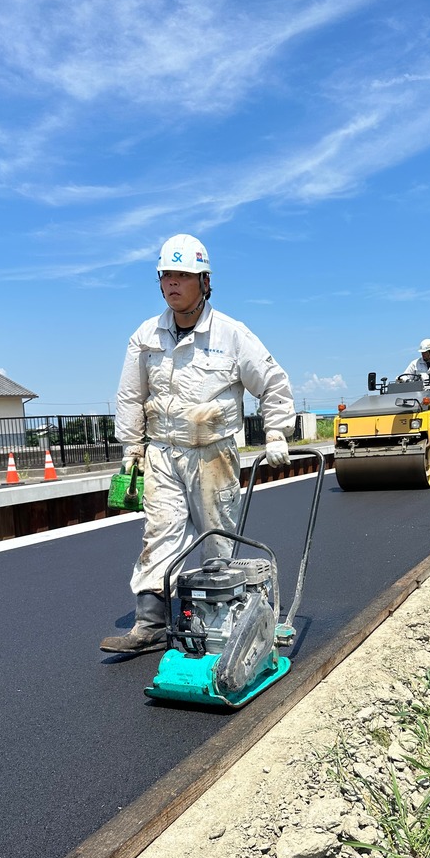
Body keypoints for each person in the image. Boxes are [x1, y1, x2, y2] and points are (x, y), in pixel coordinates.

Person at [101, 234, 296, 655]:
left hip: (212, 455)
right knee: (160, 534)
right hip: (162, 453)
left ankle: (220, 621)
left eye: (182, 276)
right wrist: (132, 449)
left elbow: (273, 383)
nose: (172, 283)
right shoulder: (146, 336)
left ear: (204, 282)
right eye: (166, 275)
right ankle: (150, 622)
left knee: (216, 538)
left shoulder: (231, 335)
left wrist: (277, 432)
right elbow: (131, 396)